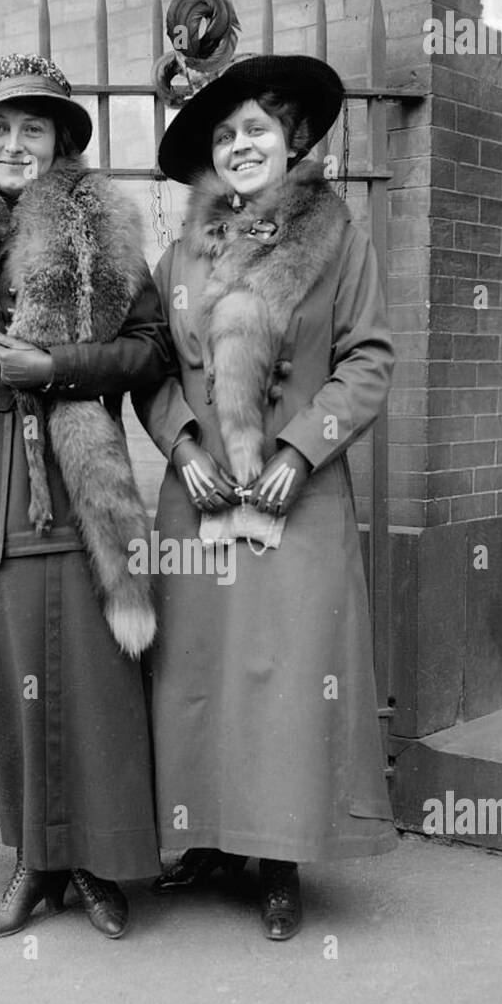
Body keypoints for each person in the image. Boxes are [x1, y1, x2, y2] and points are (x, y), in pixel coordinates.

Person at [0, 53, 175, 940]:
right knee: (4, 689)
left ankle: (89, 863)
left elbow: (152, 349)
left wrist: (59, 367)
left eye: (33, 127)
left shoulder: (106, 226)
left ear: (59, 141)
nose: (15, 144)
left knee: (79, 686)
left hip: (61, 484)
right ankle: (30, 862)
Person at [136, 54, 398, 941]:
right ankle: (206, 837)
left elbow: (369, 360)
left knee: (288, 678)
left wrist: (301, 448)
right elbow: (151, 370)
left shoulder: (339, 242)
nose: (240, 145)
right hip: (202, 500)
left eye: (255, 129)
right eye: (224, 135)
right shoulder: (176, 257)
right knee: (200, 675)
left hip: (299, 496)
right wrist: (178, 445)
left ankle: (279, 859)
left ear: (293, 140)